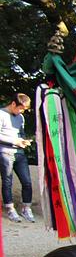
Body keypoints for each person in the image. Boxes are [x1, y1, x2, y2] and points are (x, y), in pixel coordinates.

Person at [0, 93, 34, 222]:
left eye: (24, 110)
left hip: (19, 152)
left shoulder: (20, 117)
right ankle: (10, 208)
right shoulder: (1, 114)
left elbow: (21, 133)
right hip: (5, 152)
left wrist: (24, 141)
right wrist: (14, 141)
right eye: (20, 108)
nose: (21, 112)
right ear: (13, 104)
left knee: (27, 181)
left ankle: (26, 208)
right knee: (7, 181)